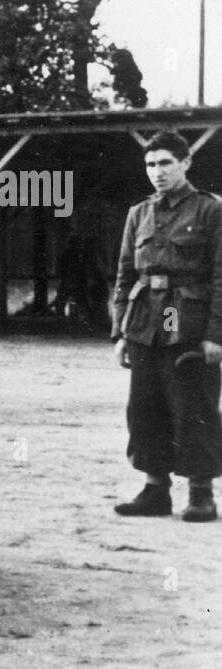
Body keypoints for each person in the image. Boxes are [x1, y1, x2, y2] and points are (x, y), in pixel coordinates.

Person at [112, 130, 222, 522]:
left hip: (185, 319)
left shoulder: (210, 210)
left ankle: (201, 492)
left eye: (165, 163)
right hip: (146, 321)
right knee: (145, 407)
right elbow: (125, 275)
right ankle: (155, 489)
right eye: (150, 164)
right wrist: (120, 332)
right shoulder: (139, 213)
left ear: (186, 163)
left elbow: (221, 276)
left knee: (193, 404)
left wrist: (215, 335)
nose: (156, 172)